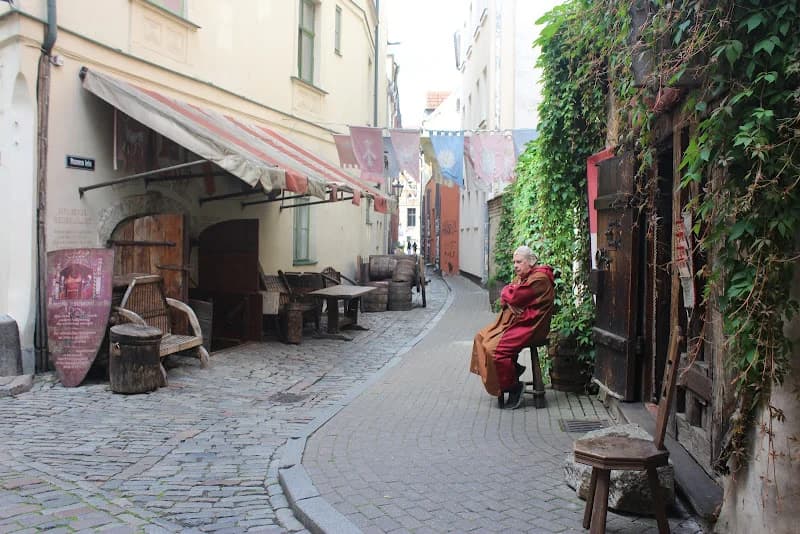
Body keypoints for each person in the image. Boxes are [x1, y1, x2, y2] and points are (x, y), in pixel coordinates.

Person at [470, 246, 555, 409]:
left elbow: (515, 296)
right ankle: (512, 371)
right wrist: (508, 297)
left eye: (519, 262)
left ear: (531, 262)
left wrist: (509, 296)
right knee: (480, 338)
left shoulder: (539, 279)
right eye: (514, 262)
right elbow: (508, 296)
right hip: (517, 323)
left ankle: (512, 386)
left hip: (531, 326)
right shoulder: (523, 277)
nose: (515, 265)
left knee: (495, 350)